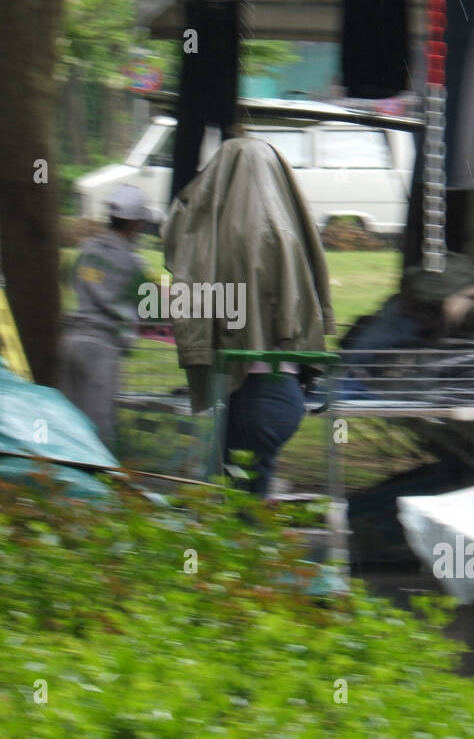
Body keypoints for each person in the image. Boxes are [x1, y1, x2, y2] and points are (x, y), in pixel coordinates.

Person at [162, 135, 335, 497]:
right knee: (244, 509)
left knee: (230, 510)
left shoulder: (217, 235)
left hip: (248, 395)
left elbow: (180, 250)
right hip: (282, 393)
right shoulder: (288, 232)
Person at [57, 184, 150, 449]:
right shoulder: (134, 263)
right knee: (98, 427)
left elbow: (69, 277)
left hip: (71, 340)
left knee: (68, 420)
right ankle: (98, 483)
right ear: (133, 224)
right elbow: (149, 307)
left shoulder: (85, 250)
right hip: (102, 347)